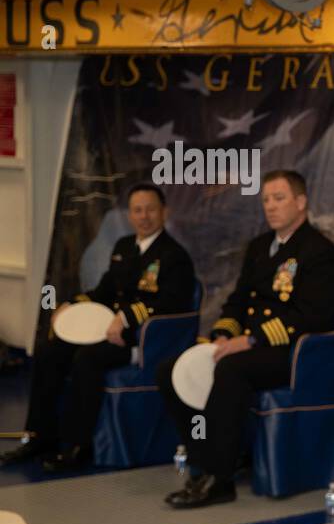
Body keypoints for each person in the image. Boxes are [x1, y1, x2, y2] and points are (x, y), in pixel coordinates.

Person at [157, 169, 334, 508]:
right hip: (250, 346)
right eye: (265, 201)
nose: (270, 207)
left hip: (293, 353)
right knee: (172, 369)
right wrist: (222, 333)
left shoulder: (321, 253)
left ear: (301, 202)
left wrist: (251, 340)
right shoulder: (259, 247)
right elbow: (239, 300)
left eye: (279, 198)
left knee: (230, 369)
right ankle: (207, 459)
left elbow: (310, 317)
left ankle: (220, 480)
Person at [1, 183, 195, 472]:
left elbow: (172, 303)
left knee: (87, 359)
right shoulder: (124, 248)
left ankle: (79, 445)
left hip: (138, 341)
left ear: (164, 212)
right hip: (105, 332)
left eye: (151, 210)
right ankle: (40, 437)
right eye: (138, 210)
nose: (144, 217)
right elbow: (105, 291)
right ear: (129, 215)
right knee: (49, 352)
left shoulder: (174, 256)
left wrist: (127, 317)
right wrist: (72, 304)